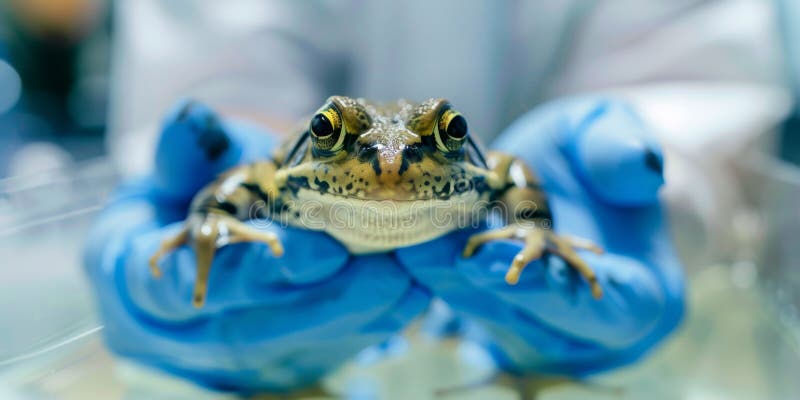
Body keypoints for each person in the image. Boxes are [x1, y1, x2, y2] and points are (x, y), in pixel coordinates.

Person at [86, 0, 786, 394]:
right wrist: (207, 221)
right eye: (340, 134)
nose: (390, 162)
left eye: (438, 136)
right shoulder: (286, 180)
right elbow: (245, 160)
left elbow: (509, 169)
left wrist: (555, 225)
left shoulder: (469, 178)